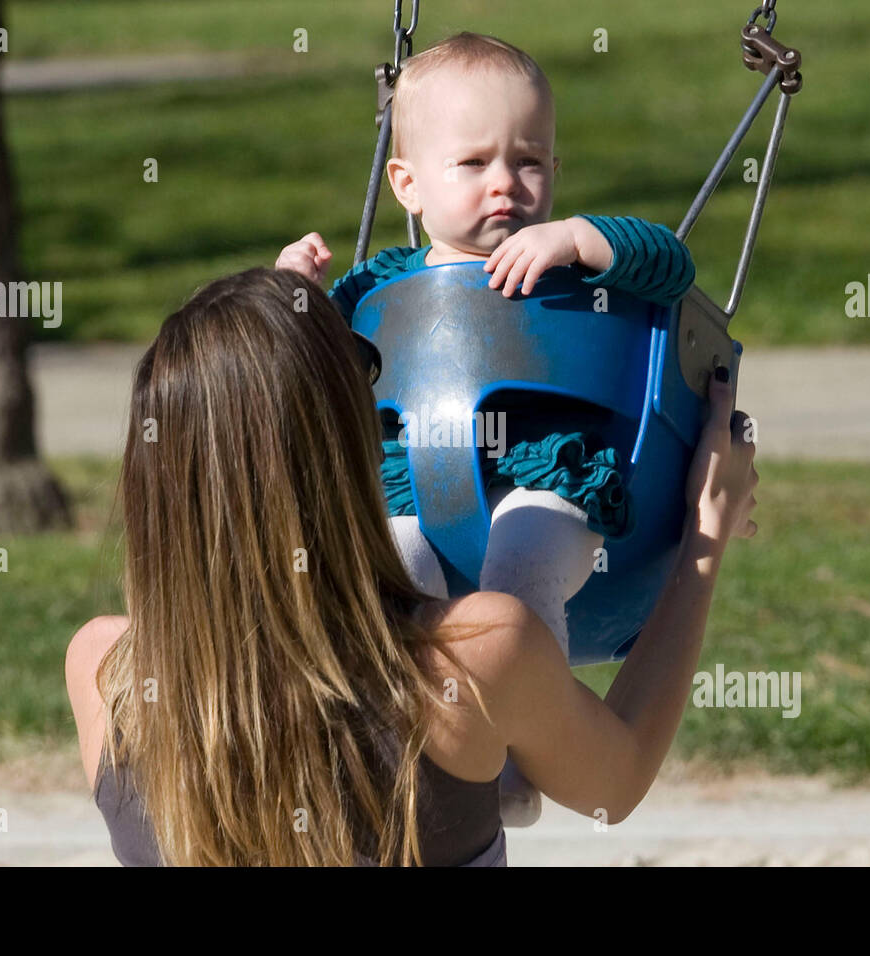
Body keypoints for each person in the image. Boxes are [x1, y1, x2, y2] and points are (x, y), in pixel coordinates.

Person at [64, 267, 756, 866]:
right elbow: (619, 780)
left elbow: (242, 454)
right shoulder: (471, 659)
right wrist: (704, 535)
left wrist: (274, 344)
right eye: (369, 372)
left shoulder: (106, 672)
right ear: (343, 444)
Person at [277, 31, 698, 824]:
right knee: (389, 586)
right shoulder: (377, 282)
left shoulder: (569, 260)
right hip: (405, 489)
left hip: (544, 474)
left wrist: (578, 237)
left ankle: (515, 745)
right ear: (407, 183)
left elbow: (670, 264)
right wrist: (296, 294)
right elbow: (310, 372)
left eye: (529, 160)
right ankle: (426, 749)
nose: (506, 183)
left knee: (524, 563)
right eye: (473, 164)